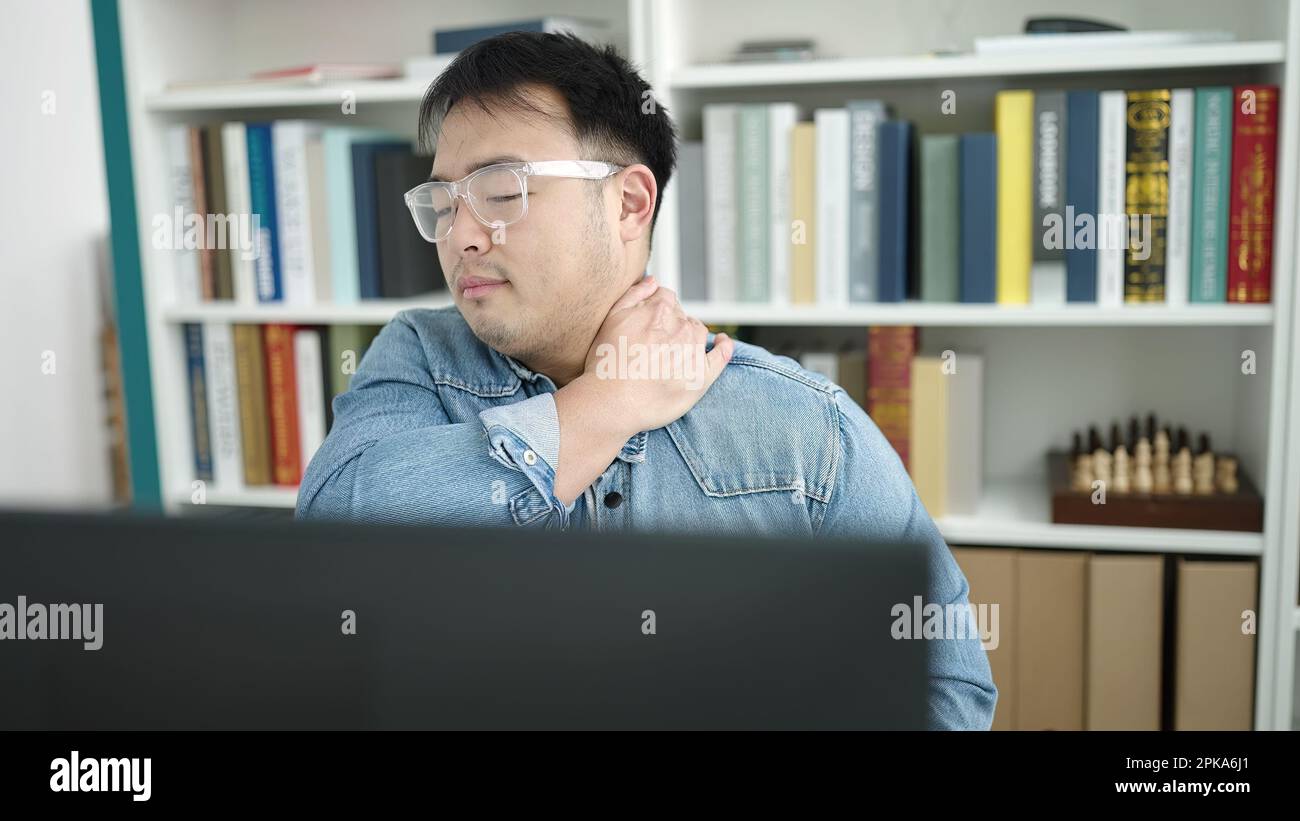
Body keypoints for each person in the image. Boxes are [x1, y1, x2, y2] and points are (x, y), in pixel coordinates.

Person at [296, 31, 996, 730]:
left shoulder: (805, 431)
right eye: (445, 202)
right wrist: (605, 404)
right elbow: (330, 555)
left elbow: (948, 690)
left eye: (501, 191)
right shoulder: (418, 358)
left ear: (630, 204)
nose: (462, 236)